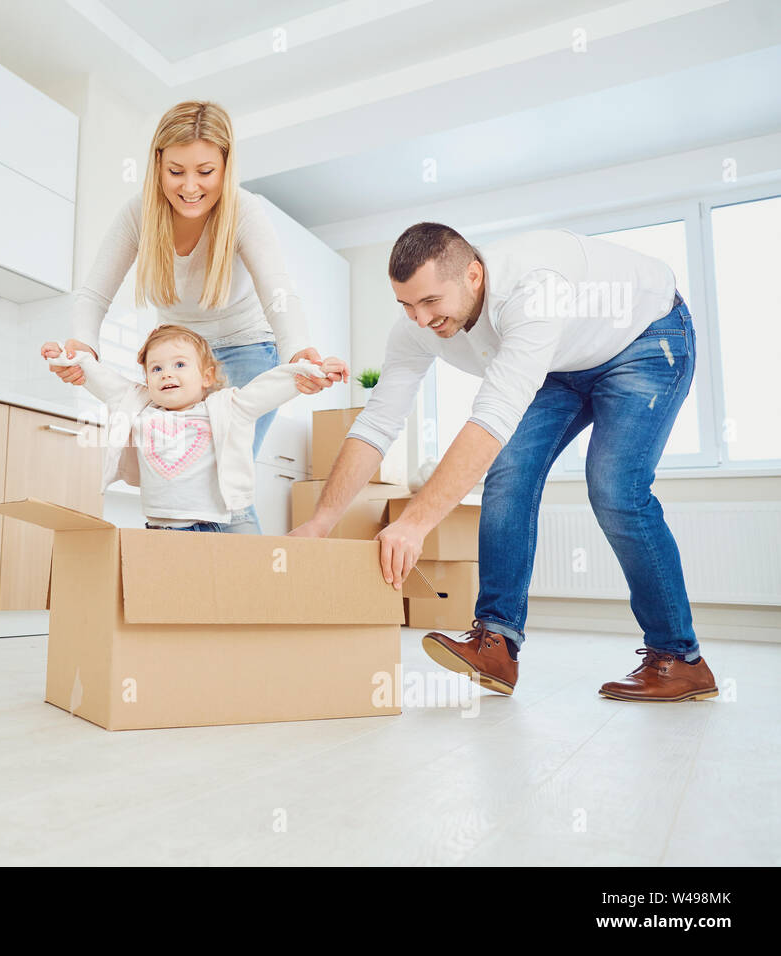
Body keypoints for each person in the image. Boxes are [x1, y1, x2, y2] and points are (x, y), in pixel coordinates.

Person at [291, 223, 717, 703]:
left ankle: (680, 658)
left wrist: (413, 525)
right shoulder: (415, 327)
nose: (420, 318)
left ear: (473, 275)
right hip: (566, 361)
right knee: (509, 475)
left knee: (615, 488)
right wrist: (321, 521)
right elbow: (378, 422)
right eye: (406, 305)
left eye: (431, 302)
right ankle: (497, 643)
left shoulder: (532, 291)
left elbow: (492, 418)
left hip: (645, 337)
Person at [48, 100, 339, 534]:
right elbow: (93, 294)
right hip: (179, 356)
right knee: (180, 483)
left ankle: (245, 597)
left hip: (247, 350)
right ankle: (183, 588)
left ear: (226, 166)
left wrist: (298, 353)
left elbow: (278, 293)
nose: (189, 187)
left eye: (205, 172)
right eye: (176, 171)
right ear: (158, 165)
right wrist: (82, 345)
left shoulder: (244, 210)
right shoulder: (139, 214)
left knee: (223, 481)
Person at [44, 324, 343, 531]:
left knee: (235, 599)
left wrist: (312, 372)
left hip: (215, 526)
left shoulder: (226, 407)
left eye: (179, 365)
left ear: (206, 376)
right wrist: (65, 357)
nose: (166, 374)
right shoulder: (140, 404)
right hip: (159, 528)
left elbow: (270, 387)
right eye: (156, 368)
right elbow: (100, 377)